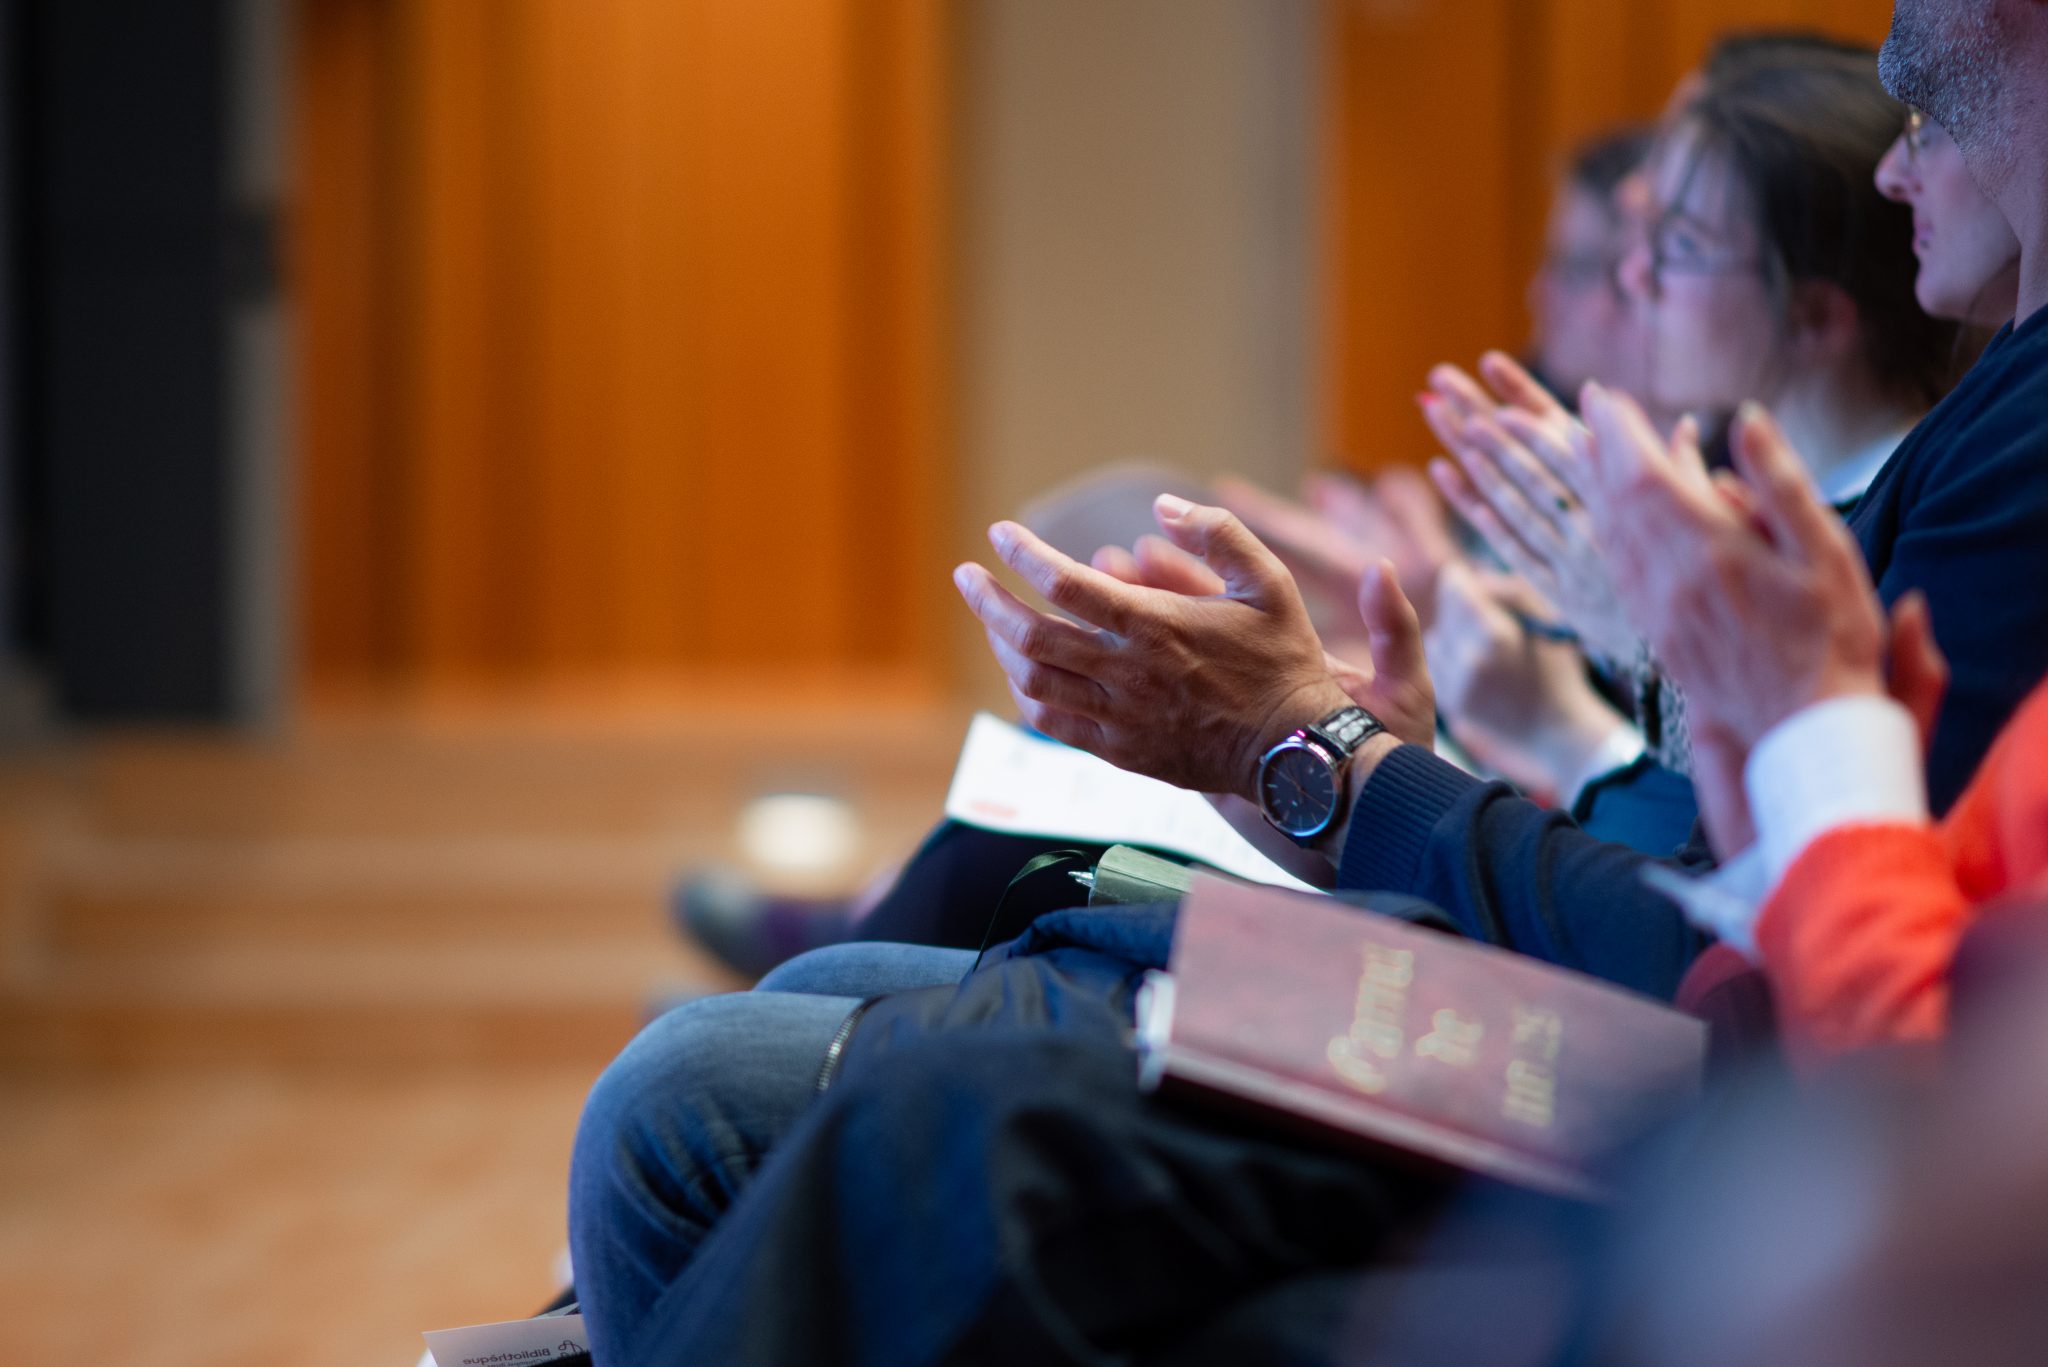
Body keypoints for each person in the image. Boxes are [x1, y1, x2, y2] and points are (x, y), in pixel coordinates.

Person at [573, 17, 2048, 1358]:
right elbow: (1755, 899)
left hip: (1663, 1081)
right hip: (1672, 1033)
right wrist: (1386, 749)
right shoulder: (1982, 415)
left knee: (725, 1091)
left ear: (1814, 311)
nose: (1603, 292)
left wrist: (1401, 746)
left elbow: (1817, 1013)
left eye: (1671, 244)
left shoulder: (1986, 450)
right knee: (975, 954)